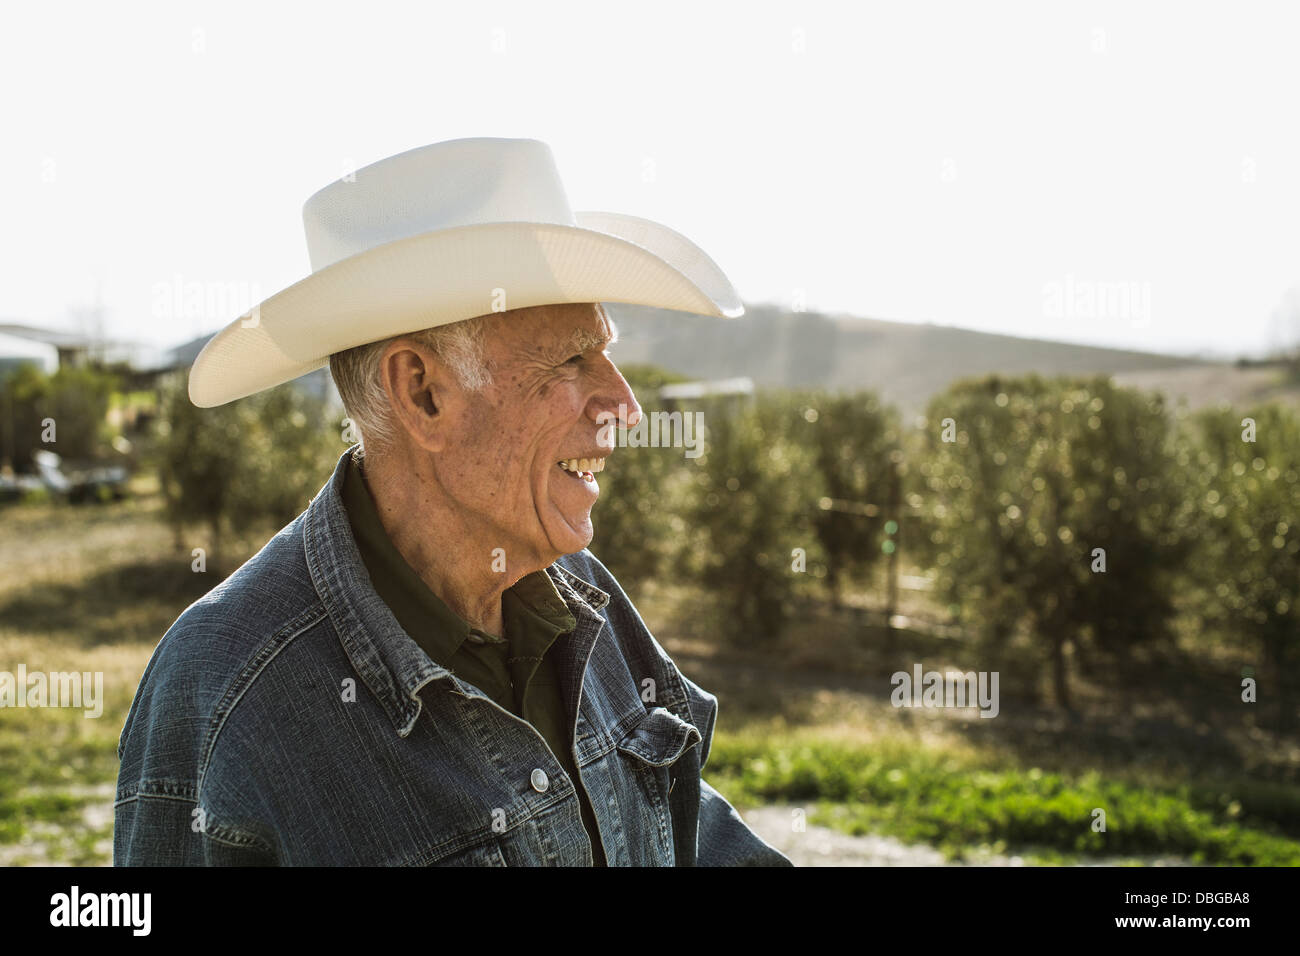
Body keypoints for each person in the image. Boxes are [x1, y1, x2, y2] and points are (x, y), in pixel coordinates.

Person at [114, 137, 791, 866]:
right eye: (572, 357)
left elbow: (687, 834)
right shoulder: (222, 689)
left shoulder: (587, 601)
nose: (624, 404)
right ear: (423, 393)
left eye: (607, 351)